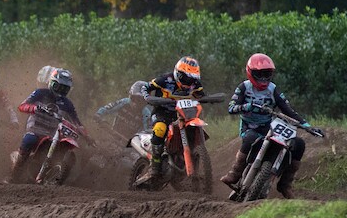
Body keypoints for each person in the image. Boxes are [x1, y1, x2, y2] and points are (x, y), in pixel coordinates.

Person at [219, 53, 320, 198]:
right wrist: (248, 106)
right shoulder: (244, 87)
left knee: (299, 144)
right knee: (249, 138)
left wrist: (307, 126)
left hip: (269, 126)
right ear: (251, 72)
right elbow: (231, 107)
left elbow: (287, 109)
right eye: (259, 74)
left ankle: (285, 184)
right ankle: (235, 173)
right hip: (249, 126)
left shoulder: (273, 89)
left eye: (267, 74)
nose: (263, 78)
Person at [133, 56, 204, 188]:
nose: (190, 81)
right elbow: (146, 87)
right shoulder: (165, 79)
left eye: (193, 78)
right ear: (178, 74)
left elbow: (201, 94)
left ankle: (188, 160)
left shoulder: (195, 84)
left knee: (194, 127)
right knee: (160, 129)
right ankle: (155, 165)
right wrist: (147, 96)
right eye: (187, 78)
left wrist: (206, 98)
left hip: (184, 113)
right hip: (162, 113)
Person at [7, 68, 85, 183]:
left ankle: (56, 178)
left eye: (64, 89)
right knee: (30, 140)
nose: (60, 91)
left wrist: (86, 135)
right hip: (36, 128)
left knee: (65, 147)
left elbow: (77, 122)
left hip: (54, 133)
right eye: (58, 86)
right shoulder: (40, 93)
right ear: (51, 83)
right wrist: (34, 108)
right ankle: (13, 176)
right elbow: (22, 106)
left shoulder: (67, 103)